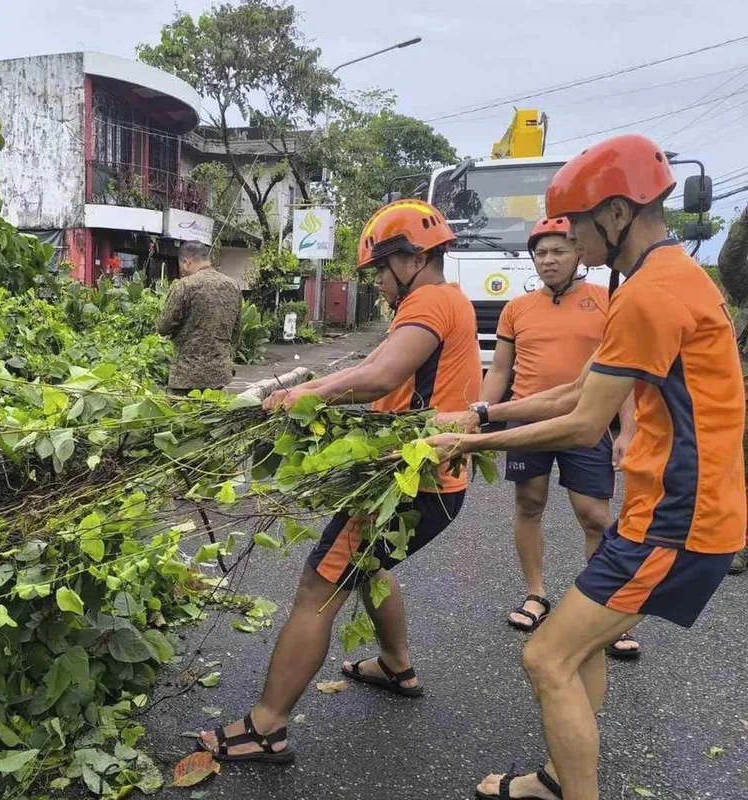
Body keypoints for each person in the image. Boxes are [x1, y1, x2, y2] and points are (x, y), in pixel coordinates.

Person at [427, 133, 746, 800]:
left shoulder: (648, 292)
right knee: (581, 644)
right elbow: (584, 389)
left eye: (573, 222)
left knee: (545, 656)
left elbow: (583, 423)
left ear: (616, 213)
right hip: (665, 509)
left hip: (677, 520)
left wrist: (467, 444)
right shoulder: (667, 278)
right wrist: (483, 416)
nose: (566, 237)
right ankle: (555, 777)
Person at [195, 199, 481, 764]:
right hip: (430, 481)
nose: (377, 282)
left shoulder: (427, 303)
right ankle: (397, 666)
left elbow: (381, 376)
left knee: (316, 588)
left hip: (409, 485)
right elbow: (376, 363)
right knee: (370, 563)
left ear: (409, 258)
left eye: (379, 269)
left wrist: (307, 395)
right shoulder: (444, 301)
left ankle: (266, 727)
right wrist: (318, 383)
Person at [476, 217, 642, 658]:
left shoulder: (606, 301)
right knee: (529, 505)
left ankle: (604, 609)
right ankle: (536, 594)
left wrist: (628, 429)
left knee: (593, 515)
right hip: (528, 422)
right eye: (541, 252)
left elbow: (623, 372)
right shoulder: (517, 308)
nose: (548, 260)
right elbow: (500, 370)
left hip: (587, 421)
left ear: (577, 254)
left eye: (558, 251)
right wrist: (479, 415)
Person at [156, 241, 242, 395]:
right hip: (219, 376)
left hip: (185, 377)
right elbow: (236, 331)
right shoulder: (233, 286)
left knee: (180, 418)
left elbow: (163, 327)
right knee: (212, 417)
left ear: (186, 261)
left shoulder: (185, 286)